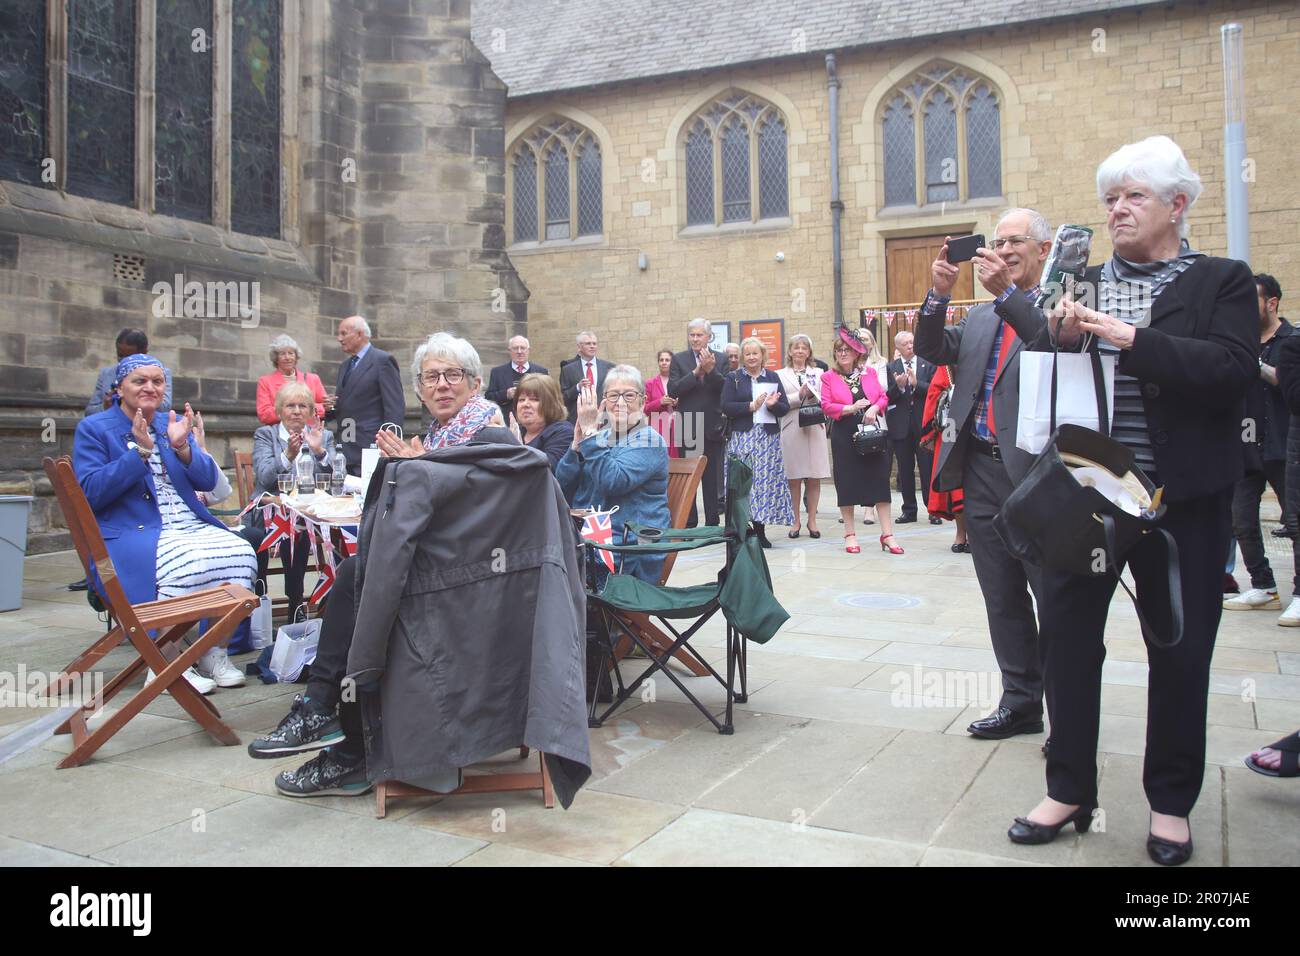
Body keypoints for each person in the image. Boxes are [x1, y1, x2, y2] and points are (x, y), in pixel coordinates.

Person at [1008, 136, 1256, 866]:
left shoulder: (1222, 281)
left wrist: (1130, 338)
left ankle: (1171, 804)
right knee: (1069, 643)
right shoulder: (1077, 280)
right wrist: (1051, 334)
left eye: (1134, 196)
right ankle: (1069, 788)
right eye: (1110, 197)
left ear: (1177, 205)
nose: (1117, 209)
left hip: (1182, 504)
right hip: (1087, 494)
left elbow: (1232, 371)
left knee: (1178, 652)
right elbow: (1043, 367)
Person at [253, 332, 516, 796]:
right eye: (431, 377)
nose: (441, 385)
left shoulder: (489, 431)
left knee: (360, 581)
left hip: (473, 583)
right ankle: (337, 729)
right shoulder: (442, 434)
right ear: (418, 389)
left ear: (475, 383)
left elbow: (488, 516)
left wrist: (421, 469)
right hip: (441, 570)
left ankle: (339, 734)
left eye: (453, 375)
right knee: (358, 578)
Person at [915, 207, 1052, 742]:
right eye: (996, 241)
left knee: (1054, 597)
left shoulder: (1068, 302)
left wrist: (1005, 297)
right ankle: (1021, 702)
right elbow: (931, 349)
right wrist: (938, 294)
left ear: (1043, 248)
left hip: (1041, 477)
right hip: (981, 469)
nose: (1002, 249)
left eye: (1015, 241)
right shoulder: (980, 316)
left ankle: (1067, 715)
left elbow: (1052, 345)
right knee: (1002, 595)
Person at [73, 354, 256, 694]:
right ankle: (166, 660)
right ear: (120, 387)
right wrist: (139, 454)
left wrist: (183, 446)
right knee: (185, 561)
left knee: (241, 551)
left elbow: (205, 481)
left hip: (186, 521)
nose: (150, 387)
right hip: (133, 531)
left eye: (157, 381)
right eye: (139, 381)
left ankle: (212, 652)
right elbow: (90, 493)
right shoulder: (95, 429)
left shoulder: (166, 423)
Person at [556, 365, 670, 585]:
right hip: (591, 544)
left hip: (628, 552)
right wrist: (576, 447)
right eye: (613, 395)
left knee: (549, 574)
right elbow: (561, 484)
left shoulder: (649, 440)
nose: (620, 403)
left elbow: (612, 482)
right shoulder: (601, 436)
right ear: (604, 401)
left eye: (629, 395)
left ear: (643, 401)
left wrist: (590, 434)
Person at [1224, 274, 1295, 616]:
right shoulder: (1242, 340)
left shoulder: (1291, 340)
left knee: (1295, 521)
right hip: (1247, 445)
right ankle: (1262, 584)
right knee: (1242, 520)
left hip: (1284, 446)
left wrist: (1254, 365)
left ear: (1271, 303)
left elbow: (1288, 384)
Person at [245, 381, 336, 622]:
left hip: (309, 513)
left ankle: (304, 604)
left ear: (311, 411)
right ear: (279, 410)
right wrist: (287, 456)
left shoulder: (323, 435)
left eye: (303, 405)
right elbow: (264, 478)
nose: (296, 411)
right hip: (270, 512)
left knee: (303, 529)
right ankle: (275, 603)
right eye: (290, 405)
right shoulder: (266, 434)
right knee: (293, 529)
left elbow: (336, 478)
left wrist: (319, 452)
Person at [821, 327, 900, 555]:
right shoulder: (829, 377)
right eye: (839, 350)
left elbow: (883, 397)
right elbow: (826, 405)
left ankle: (887, 534)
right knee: (847, 483)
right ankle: (850, 534)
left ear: (857, 353)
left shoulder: (869, 373)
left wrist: (875, 407)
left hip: (870, 432)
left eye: (847, 350)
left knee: (879, 481)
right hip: (844, 434)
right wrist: (849, 408)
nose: (843, 353)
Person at [721, 338, 793, 548]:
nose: (752, 357)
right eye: (748, 353)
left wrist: (772, 405)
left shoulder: (772, 377)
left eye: (755, 353)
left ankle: (760, 531)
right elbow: (726, 406)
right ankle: (741, 529)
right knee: (744, 482)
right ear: (743, 356)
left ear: (763, 355)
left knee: (763, 484)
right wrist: (750, 406)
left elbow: (784, 408)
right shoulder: (733, 378)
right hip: (742, 438)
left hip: (767, 439)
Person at [322, 315, 405, 476]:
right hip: (346, 446)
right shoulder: (345, 366)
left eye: (344, 333)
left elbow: (394, 408)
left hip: (371, 446)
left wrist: (389, 445)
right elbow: (346, 406)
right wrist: (330, 408)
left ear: (359, 334)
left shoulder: (382, 361)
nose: (339, 339)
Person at [668, 318, 727, 526]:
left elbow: (724, 388)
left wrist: (710, 370)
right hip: (688, 424)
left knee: (711, 477)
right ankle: (689, 521)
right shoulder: (679, 359)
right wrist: (695, 373)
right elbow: (673, 390)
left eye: (699, 335)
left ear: (709, 336)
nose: (695, 339)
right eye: (692, 334)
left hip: (712, 425)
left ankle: (712, 521)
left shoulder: (720, 359)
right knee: (689, 475)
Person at [776, 334, 829, 538]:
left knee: (814, 477)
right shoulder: (780, 374)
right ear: (790, 351)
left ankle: (812, 521)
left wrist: (812, 394)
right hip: (792, 426)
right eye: (796, 348)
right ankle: (795, 520)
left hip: (814, 424)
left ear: (809, 352)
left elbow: (825, 398)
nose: (800, 351)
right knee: (794, 477)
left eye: (804, 348)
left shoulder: (818, 372)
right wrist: (799, 395)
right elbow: (779, 402)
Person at [885, 331, 937, 525]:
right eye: (905, 344)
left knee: (927, 469)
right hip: (900, 427)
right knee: (905, 471)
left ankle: (932, 510)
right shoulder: (891, 367)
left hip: (923, 424)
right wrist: (898, 387)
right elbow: (886, 397)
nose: (909, 346)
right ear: (897, 348)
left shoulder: (928, 363)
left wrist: (917, 384)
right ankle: (909, 511)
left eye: (911, 342)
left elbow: (935, 389)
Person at [919, 365, 968, 552]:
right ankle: (960, 533)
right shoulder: (945, 366)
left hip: (974, 426)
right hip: (950, 427)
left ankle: (973, 534)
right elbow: (933, 394)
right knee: (954, 484)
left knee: (972, 484)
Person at [85, 328, 173, 417]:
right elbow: (89, 412)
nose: (124, 361)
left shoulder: (161, 373)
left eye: (130, 357)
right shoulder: (106, 373)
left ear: (144, 353)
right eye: (120, 355)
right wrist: (105, 406)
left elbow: (165, 408)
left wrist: (133, 399)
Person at [255, 334, 327, 426]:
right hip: (280, 435)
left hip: (309, 434)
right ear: (276, 358)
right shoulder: (265, 382)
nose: (287, 357)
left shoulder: (313, 379)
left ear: (296, 357)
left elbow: (326, 407)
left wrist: (290, 409)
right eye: (282, 354)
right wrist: (302, 409)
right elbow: (264, 414)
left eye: (291, 353)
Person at [508, 372, 573, 470]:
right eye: (521, 400)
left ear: (551, 404)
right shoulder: (515, 432)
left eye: (534, 399)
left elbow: (548, 470)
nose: (525, 404)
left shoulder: (563, 431)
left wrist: (517, 448)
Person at [485, 334, 548, 420]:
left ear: (528, 350)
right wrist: (506, 394)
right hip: (507, 421)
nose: (519, 351)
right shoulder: (497, 372)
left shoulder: (541, 372)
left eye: (522, 348)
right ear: (509, 351)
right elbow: (489, 397)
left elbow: (548, 397)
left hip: (535, 420)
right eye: (515, 348)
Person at [559, 330, 614, 423]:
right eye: (588, 344)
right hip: (578, 420)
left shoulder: (609, 367)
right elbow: (562, 398)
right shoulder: (568, 369)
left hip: (604, 419)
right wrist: (577, 387)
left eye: (594, 344)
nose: (592, 346)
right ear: (579, 347)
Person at [644, 348, 682, 458]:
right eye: (661, 360)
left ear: (672, 362)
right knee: (659, 458)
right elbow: (645, 409)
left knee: (677, 459)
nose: (664, 362)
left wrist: (678, 402)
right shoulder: (650, 383)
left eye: (667, 360)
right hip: (658, 426)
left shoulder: (680, 381)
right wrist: (660, 402)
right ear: (658, 363)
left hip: (678, 425)